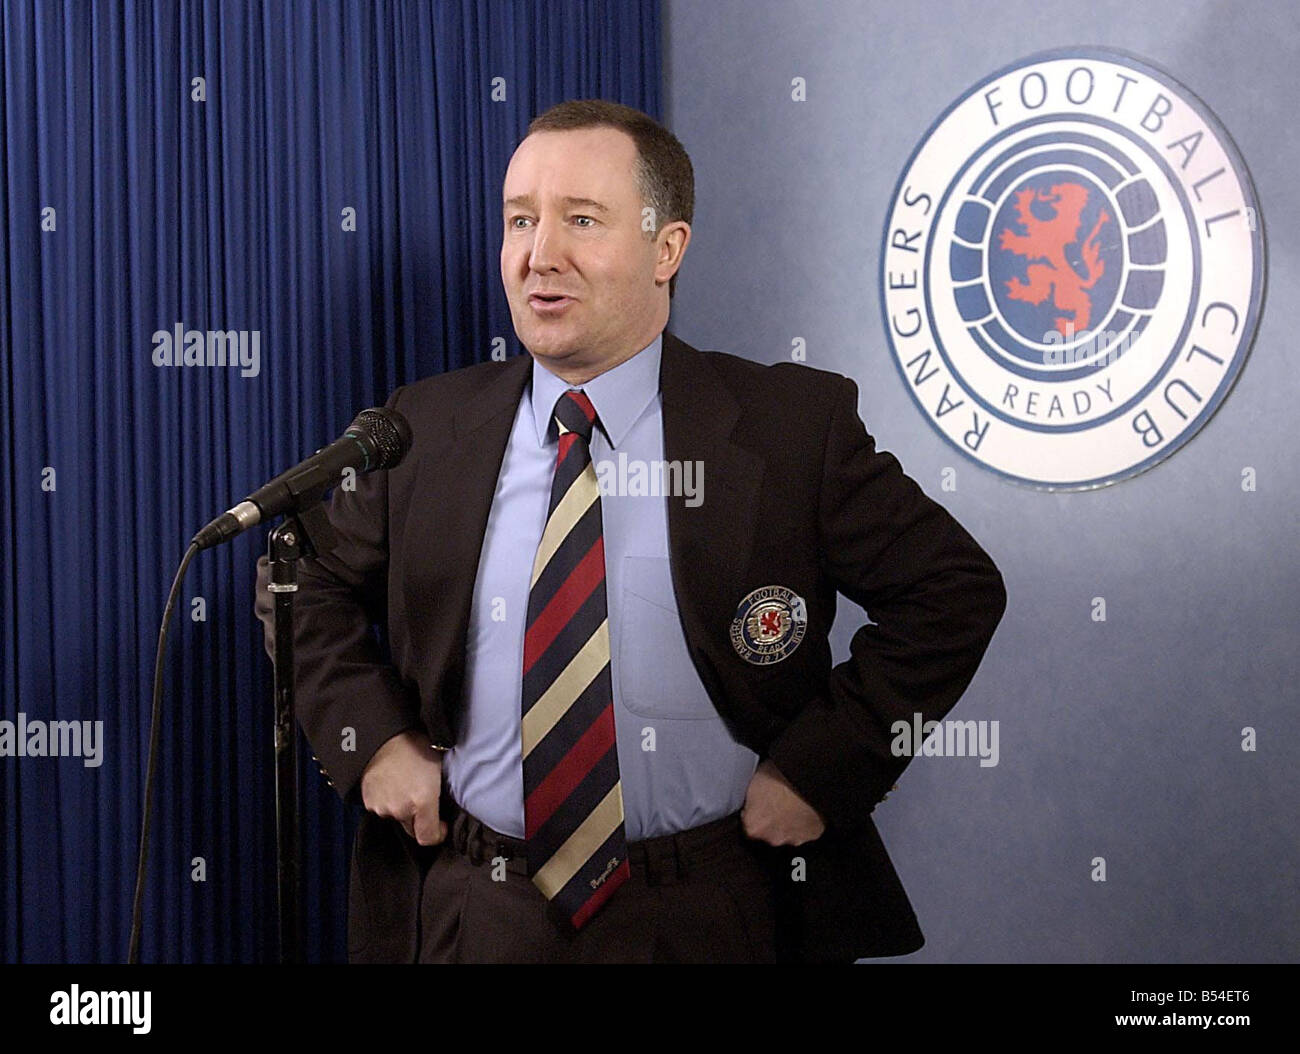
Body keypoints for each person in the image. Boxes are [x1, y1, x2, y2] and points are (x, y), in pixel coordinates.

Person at [255, 99, 1007, 964]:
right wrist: (374, 737)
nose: (541, 256)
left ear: (667, 249)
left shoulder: (791, 428)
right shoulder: (423, 427)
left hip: (708, 909)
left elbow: (952, 590)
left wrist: (822, 767)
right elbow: (298, 572)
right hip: (476, 909)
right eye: (520, 221)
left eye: (582, 220)